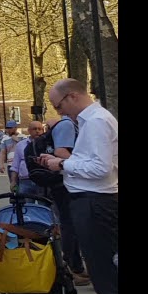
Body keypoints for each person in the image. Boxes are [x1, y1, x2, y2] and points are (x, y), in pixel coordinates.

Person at [37, 79, 118, 294]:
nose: (60, 113)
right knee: (102, 273)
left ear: (72, 97)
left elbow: (99, 168)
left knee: (105, 275)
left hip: (95, 202)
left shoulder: (95, 122)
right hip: (92, 201)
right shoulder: (94, 120)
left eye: (59, 106)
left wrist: (62, 164)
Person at [42, 114, 87, 285]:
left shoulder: (70, 124)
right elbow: (60, 151)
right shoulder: (67, 125)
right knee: (70, 225)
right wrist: (83, 165)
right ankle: (73, 267)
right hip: (65, 182)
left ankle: (75, 266)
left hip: (66, 182)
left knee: (71, 224)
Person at [10, 120, 46, 199]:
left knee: (43, 206)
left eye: (40, 129)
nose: (37, 131)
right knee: (26, 208)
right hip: (25, 181)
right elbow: (15, 165)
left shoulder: (47, 144)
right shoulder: (20, 145)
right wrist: (13, 181)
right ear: (29, 131)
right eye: (34, 129)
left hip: (42, 181)